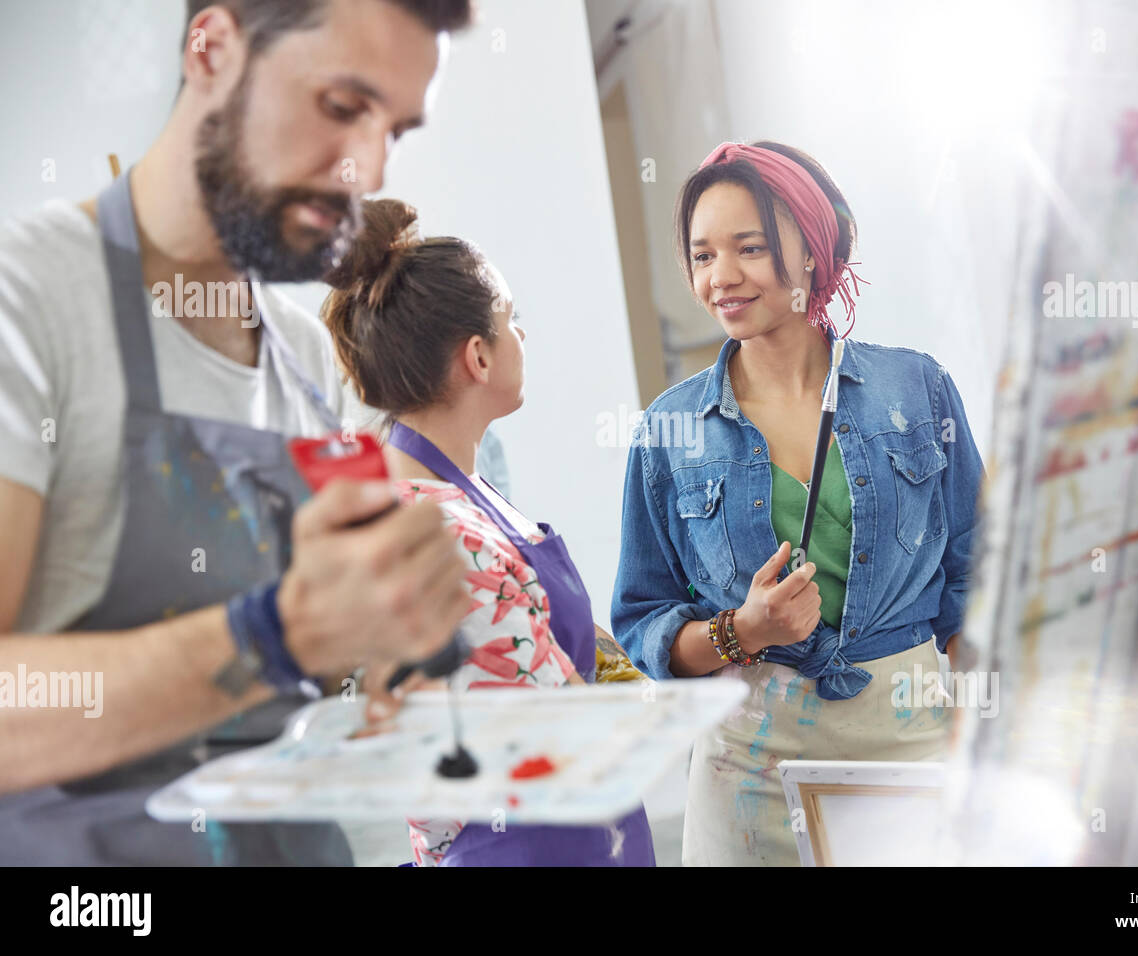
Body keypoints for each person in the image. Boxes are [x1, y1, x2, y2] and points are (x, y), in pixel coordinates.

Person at [0, 0, 476, 864]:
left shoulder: (296, 351)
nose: (362, 167)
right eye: (340, 107)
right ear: (211, 48)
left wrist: (382, 643)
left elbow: (325, 670)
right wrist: (270, 636)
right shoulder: (27, 297)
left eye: (394, 131)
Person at [611, 140, 985, 866]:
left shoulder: (919, 389)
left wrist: (977, 732)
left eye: (748, 248)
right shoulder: (669, 430)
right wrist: (740, 631)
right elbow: (645, 625)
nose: (722, 277)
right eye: (702, 255)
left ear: (811, 252)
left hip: (911, 750)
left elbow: (978, 586)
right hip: (747, 768)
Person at [321, 198, 655, 866]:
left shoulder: (462, 497)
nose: (522, 338)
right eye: (511, 320)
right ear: (477, 355)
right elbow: (543, 736)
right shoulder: (436, 533)